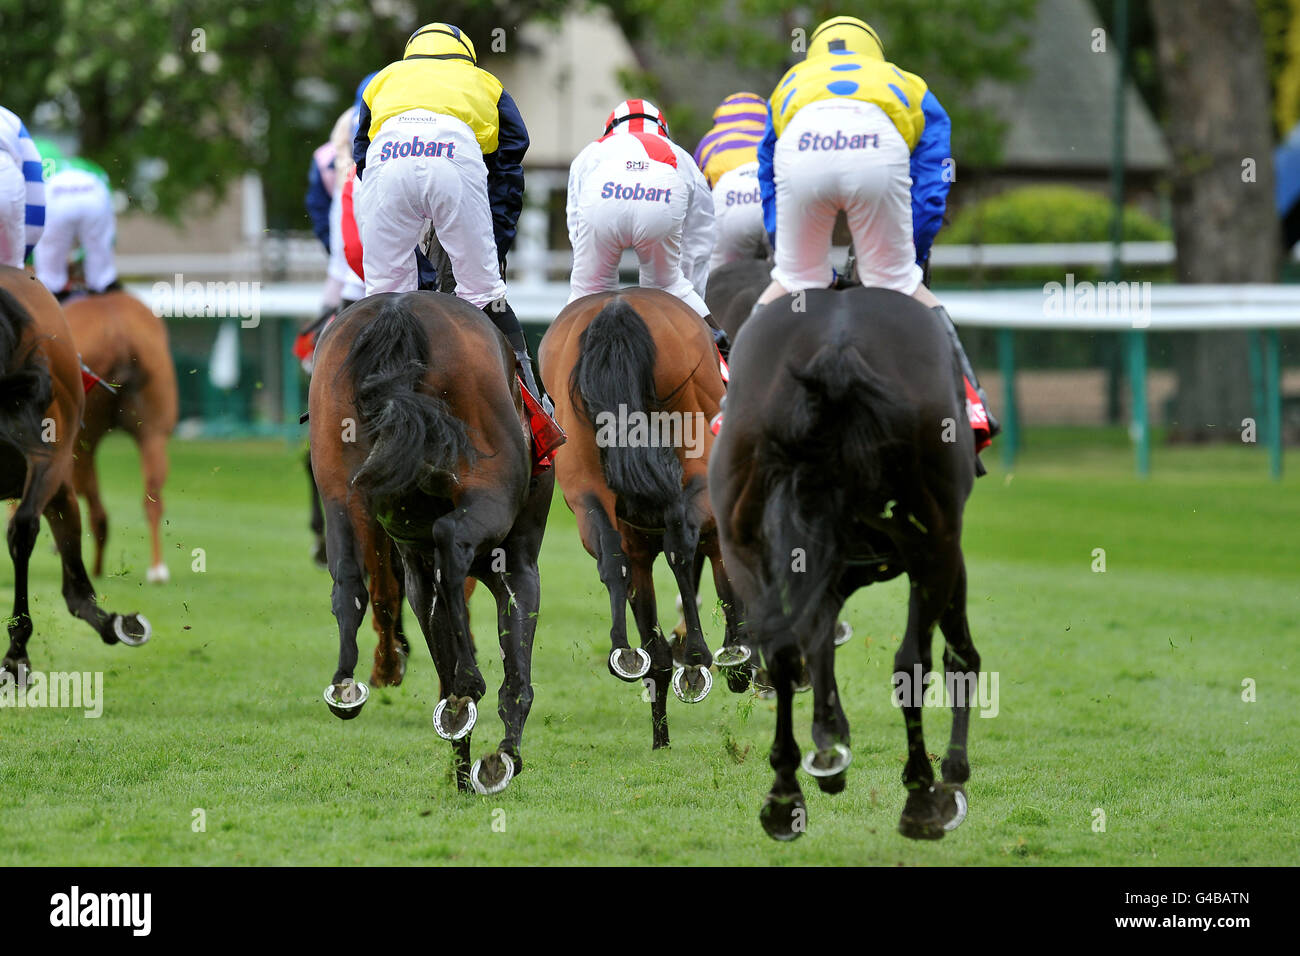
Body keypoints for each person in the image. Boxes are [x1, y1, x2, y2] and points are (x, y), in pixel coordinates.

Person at [754, 15, 997, 460]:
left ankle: (735, 404)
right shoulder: (907, 84)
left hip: (802, 151)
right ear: (875, 53)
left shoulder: (790, 82)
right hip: (876, 149)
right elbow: (930, 190)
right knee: (901, 282)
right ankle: (972, 404)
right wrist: (910, 261)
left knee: (791, 282)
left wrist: (792, 260)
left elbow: (766, 179)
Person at [352, 23, 561, 463]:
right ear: (465, 55)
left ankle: (352, 411)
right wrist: (491, 258)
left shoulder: (382, 81)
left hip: (387, 164)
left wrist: (415, 268)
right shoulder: (488, 84)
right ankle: (536, 413)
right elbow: (507, 172)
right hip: (453, 160)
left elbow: (362, 162)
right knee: (485, 296)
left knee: (387, 302)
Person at [567, 99, 718, 322]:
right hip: (660, 200)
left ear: (610, 128)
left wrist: (589, 271)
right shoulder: (680, 155)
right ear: (663, 129)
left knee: (588, 291)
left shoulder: (590, 153)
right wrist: (687, 291)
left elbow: (577, 227)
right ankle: (719, 344)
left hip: (603, 201)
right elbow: (698, 239)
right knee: (668, 287)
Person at [694, 92, 771, 268]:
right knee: (793, 276)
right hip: (769, 198)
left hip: (730, 200)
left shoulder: (709, 140)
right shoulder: (773, 135)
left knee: (712, 281)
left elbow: (698, 199)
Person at [34, 152, 119, 300]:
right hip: (94, 191)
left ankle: (54, 294)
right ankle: (105, 285)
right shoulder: (89, 165)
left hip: (56, 194)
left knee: (49, 273)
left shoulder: (43, 168)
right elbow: (110, 235)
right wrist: (80, 256)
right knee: (101, 263)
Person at [0, 105, 44, 270]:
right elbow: (36, 194)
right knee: (9, 271)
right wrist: (20, 263)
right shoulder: (7, 117)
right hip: (5, 178)